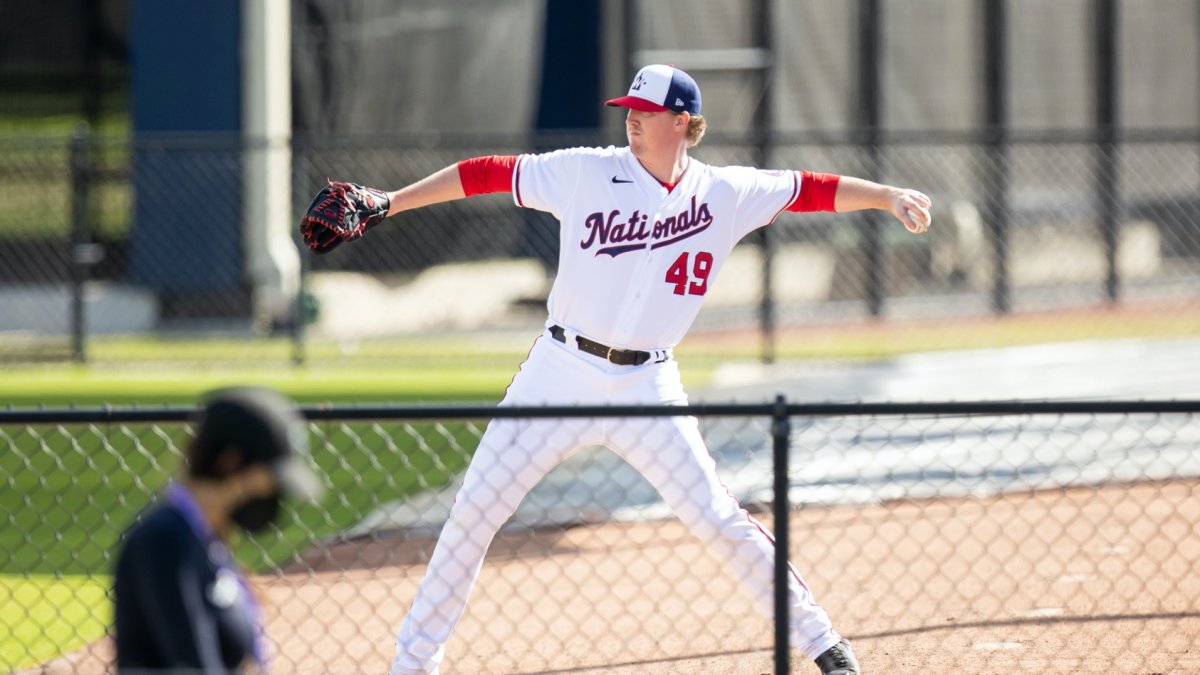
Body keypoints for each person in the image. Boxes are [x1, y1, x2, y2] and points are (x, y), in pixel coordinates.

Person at [347, 64, 930, 675]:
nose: (630, 117)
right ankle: (412, 664)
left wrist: (884, 197)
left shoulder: (725, 192)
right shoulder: (586, 171)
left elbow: (808, 188)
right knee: (475, 510)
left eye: (644, 110)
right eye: (628, 106)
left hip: (648, 383)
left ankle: (824, 644)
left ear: (681, 121)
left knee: (716, 516)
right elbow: (485, 173)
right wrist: (389, 203)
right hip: (560, 369)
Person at [112, 386, 323, 674]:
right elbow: (193, 665)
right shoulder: (164, 541)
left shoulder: (205, 540)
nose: (273, 491)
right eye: (269, 477)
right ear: (230, 461)